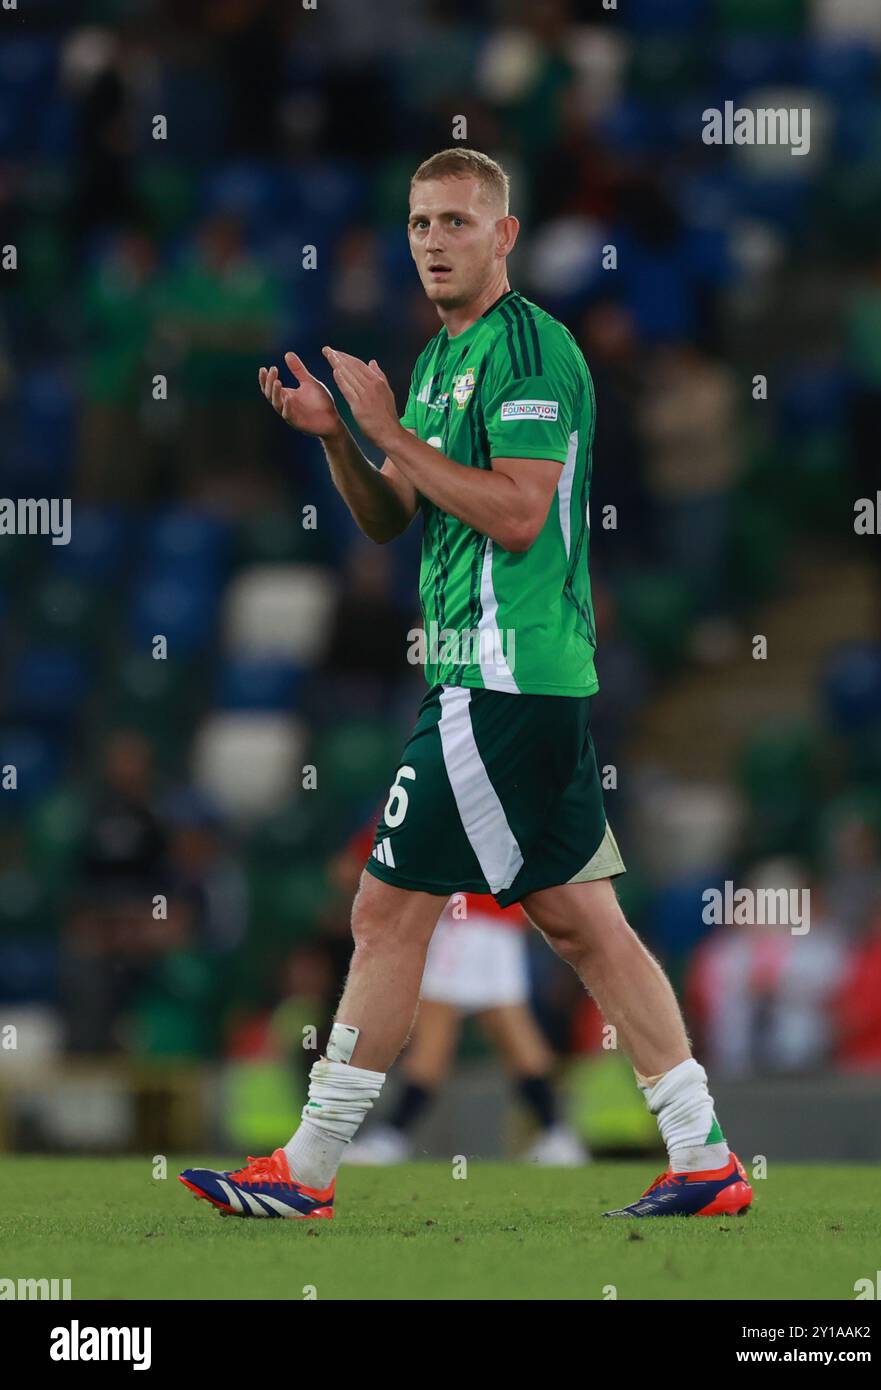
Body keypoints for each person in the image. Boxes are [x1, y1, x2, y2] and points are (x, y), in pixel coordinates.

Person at [180, 148, 751, 1220]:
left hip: (500, 677)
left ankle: (305, 1169)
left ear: (504, 235)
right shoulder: (442, 358)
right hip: (505, 682)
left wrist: (388, 429)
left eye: (454, 221)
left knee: (387, 909)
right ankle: (704, 1152)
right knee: (587, 925)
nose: (433, 241)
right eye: (418, 223)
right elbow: (398, 515)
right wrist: (345, 444)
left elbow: (521, 511)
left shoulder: (529, 349)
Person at [333, 821, 588, 1166]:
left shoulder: (436, 779)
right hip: (502, 921)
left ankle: (392, 1137)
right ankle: (557, 1134)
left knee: (434, 1035)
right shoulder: (506, 786)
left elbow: (352, 865)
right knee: (513, 1032)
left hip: (462, 922)